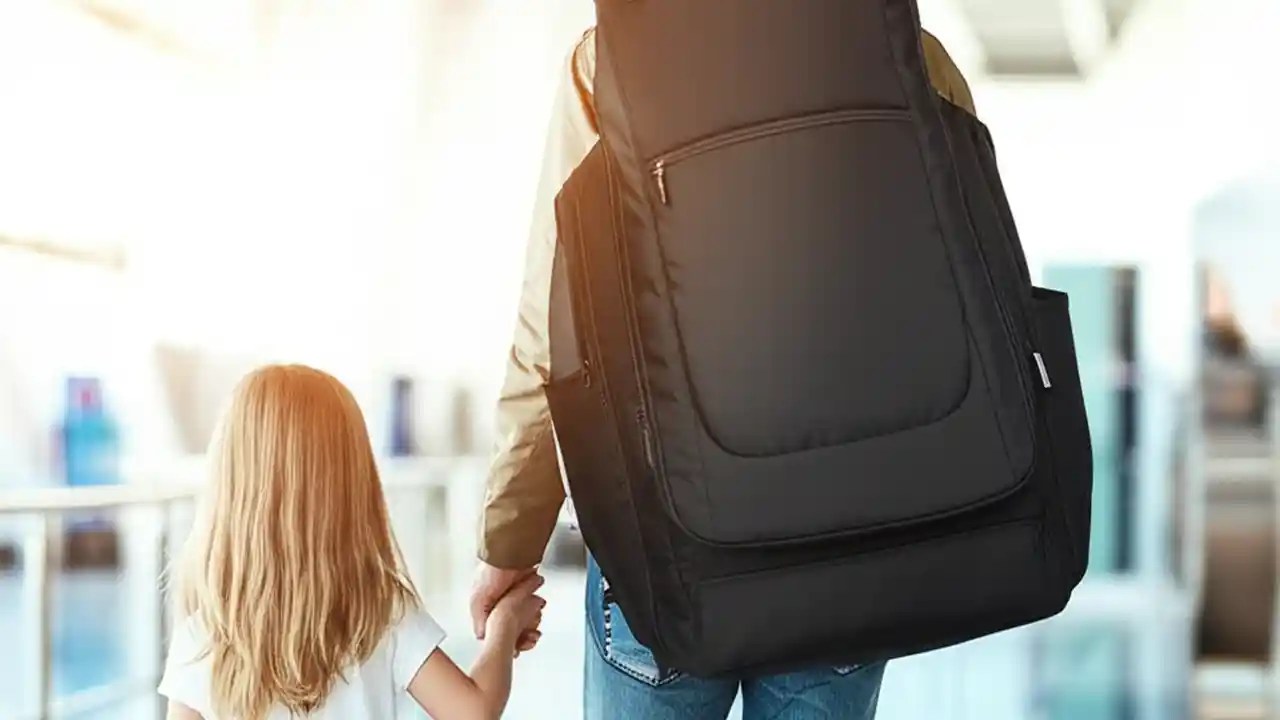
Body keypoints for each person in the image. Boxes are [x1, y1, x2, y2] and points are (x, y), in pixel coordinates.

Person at [472, 26, 980, 720]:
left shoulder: (614, 58)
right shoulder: (900, 47)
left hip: (660, 533)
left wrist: (510, 538)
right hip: (845, 531)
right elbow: (967, 289)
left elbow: (556, 319)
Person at [158, 365, 545, 720]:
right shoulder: (377, 612)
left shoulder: (202, 636)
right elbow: (472, 713)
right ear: (349, 485)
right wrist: (504, 625)